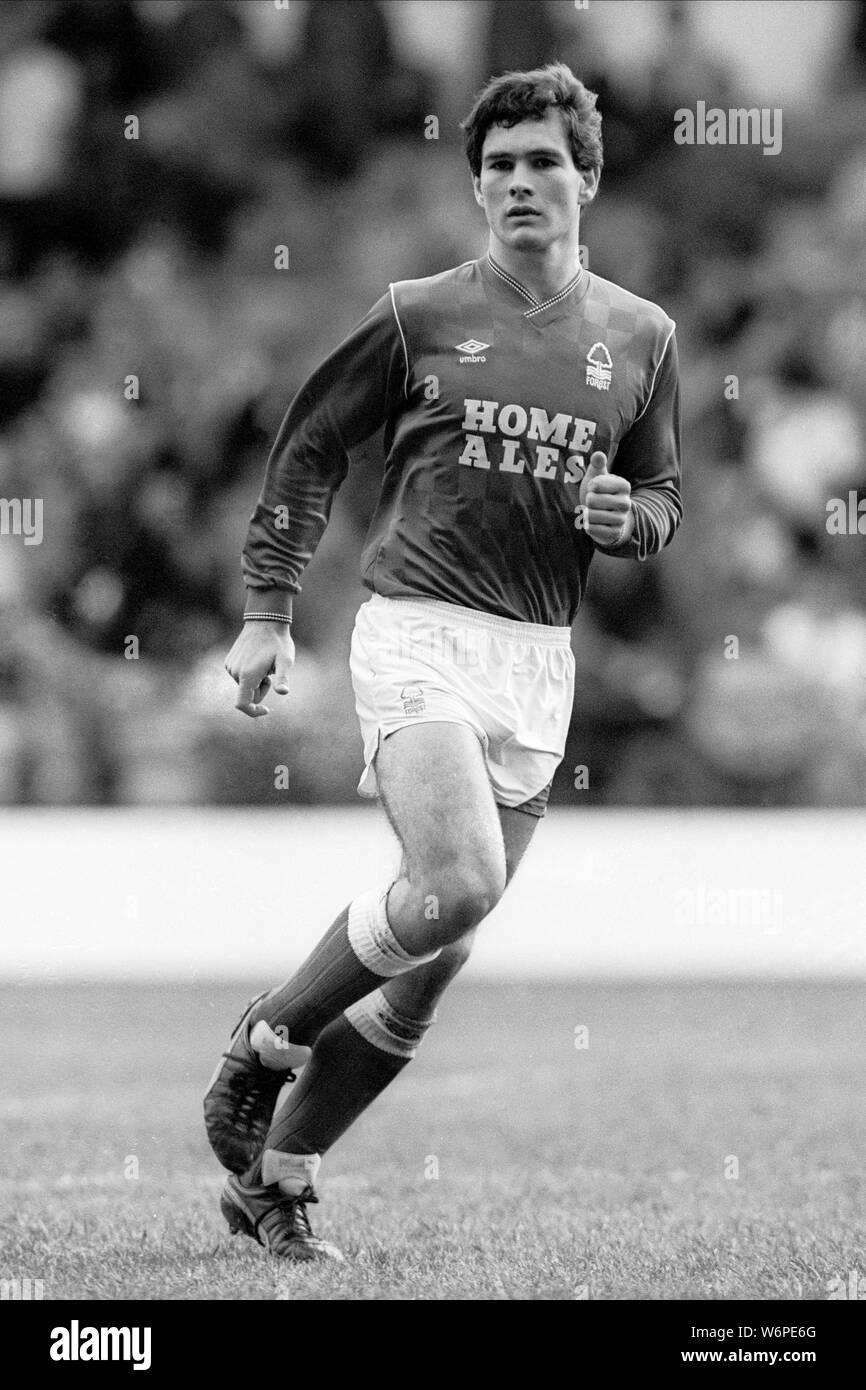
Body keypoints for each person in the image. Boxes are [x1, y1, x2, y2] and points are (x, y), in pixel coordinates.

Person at [205, 61, 682, 1262]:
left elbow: (664, 491)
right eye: (500, 166)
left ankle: (278, 1176)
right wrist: (267, 610)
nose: (520, 182)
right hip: (414, 626)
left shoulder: (643, 336)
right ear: (477, 189)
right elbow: (311, 442)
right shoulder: (420, 310)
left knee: (436, 956)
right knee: (456, 881)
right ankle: (261, 1042)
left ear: (586, 178)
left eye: (542, 162)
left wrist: (641, 521)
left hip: (537, 658)